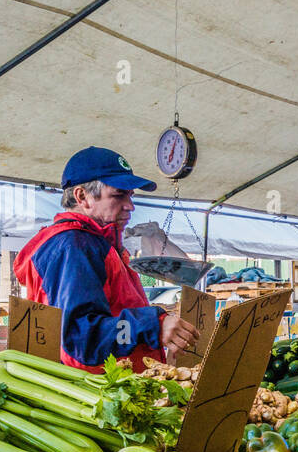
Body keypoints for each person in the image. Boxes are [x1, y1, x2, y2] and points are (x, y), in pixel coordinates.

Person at [13, 147, 199, 372]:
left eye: (130, 196)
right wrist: (153, 325)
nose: (130, 206)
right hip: (96, 395)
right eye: (119, 195)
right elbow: (82, 339)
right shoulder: (74, 246)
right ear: (82, 197)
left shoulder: (96, 243)